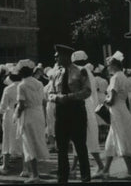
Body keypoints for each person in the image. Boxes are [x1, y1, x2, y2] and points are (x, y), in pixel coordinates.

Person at [48, 43, 92, 184]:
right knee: (62, 148)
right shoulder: (56, 73)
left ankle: (85, 177)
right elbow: (49, 93)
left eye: (57, 56)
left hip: (76, 111)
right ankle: (62, 178)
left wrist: (69, 97)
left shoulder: (80, 71)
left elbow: (87, 91)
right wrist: (56, 98)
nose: (55, 59)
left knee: (80, 146)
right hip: (61, 112)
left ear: (65, 57)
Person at [97, 50, 131, 178]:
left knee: (120, 138)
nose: (108, 68)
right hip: (121, 108)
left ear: (114, 65)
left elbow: (111, 99)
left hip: (116, 110)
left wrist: (105, 102)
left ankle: (130, 171)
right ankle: (106, 170)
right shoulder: (123, 76)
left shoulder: (115, 78)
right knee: (111, 141)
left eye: (109, 65)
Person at [14, 58, 49, 184]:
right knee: (36, 141)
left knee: (29, 143)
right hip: (38, 114)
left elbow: (21, 104)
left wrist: (16, 115)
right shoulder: (39, 83)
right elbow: (44, 101)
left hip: (28, 115)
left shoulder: (21, 85)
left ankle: (35, 175)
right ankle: (34, 172)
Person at [71, 51, 105, 174]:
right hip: (88, 106)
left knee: (81, 137)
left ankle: (100, 166)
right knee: (83, 137)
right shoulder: (87, 71)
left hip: (81, 106)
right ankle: (74, 167)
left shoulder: (78, 71)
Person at [0, 68, 23, 173]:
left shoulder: (8, 89)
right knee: (21, 138)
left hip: (10, 114)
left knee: (6, 139)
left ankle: (5, 165)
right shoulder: (24, 86)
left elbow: (2, 106)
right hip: (22, 114)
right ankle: (25, 167)